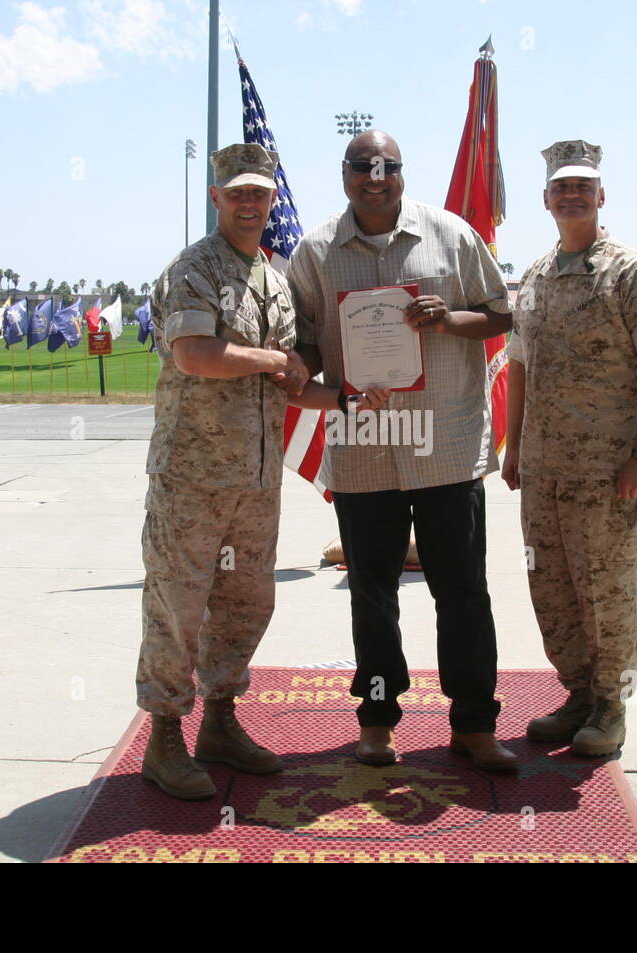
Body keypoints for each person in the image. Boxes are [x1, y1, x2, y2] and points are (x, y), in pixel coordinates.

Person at [137, 143, 388, 800]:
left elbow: (286, 381)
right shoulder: (195, 269)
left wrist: (341, 396)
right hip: (191, 478)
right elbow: (196, 353)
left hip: (254, 480)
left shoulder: (274, 281)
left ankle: (220, 721)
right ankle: (164, 738)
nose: (250, 202)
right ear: (216, 198)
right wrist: (272, 363)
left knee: (246, 603)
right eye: (237, 192)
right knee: (178, 604)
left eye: (260, 192)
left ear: (273, 198)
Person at [287, 130, 517, 772]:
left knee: (463, 591)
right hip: (364, 445)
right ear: (344, 174)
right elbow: (305, 337)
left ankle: (473, 723)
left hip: (444, 445)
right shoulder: (315, 251)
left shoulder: (451, 235)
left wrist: (450, 320)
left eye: (386, 166)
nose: (375, 176)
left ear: (402, 172)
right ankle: (379, 719)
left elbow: (500, 316)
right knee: (372, 593)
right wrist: (302, 374)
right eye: (362, 166)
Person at [502, 140, 637, 756]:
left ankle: (610, 706)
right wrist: (512, 446)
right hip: (545, 471)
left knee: (606, 590)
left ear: (601, 197)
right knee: (551, 589)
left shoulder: (631, 273)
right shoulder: (536, 277)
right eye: (561, 187)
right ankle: (577, 692)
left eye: (583, 186)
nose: (572, 195)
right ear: (546, 200)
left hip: (609, 473)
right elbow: (519, 365)